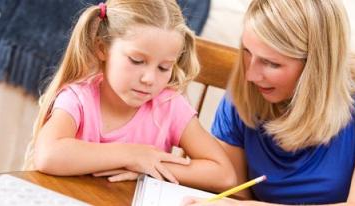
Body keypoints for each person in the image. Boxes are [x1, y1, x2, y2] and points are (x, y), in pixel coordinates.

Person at [184, 0, 355, 205]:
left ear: (316, 66)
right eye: (247, 51)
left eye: (272, 63)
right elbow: (233, 194)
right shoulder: (244, 94)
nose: (251, 76)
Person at [23, 0, 237, 193]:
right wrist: (132, 155)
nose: (149, 79)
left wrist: (148, 167)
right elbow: (48, 155)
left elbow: (224, 174)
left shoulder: (168, 105)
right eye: (136, 60)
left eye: (164, 67)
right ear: (102, 48)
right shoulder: (78, 98)